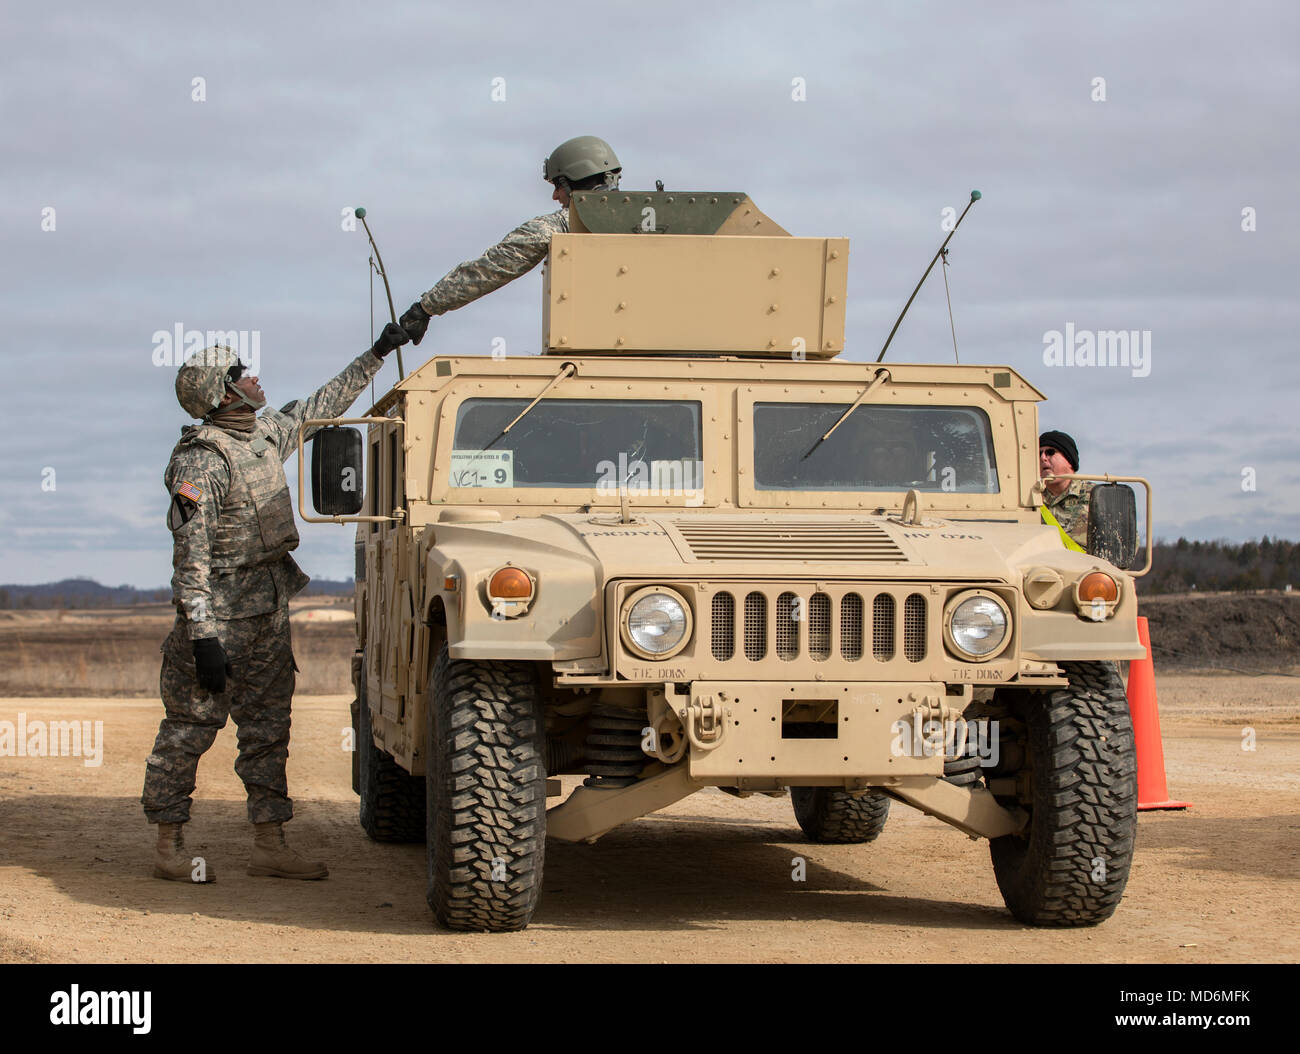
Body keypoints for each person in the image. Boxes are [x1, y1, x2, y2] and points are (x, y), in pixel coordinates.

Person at [142, 322, 409, 882]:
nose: (254, 377)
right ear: (222, 394)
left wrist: (381, 351)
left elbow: (322, 404)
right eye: (240, 373)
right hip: (218, 614)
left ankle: (270, 844)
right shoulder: (201, 462)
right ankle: (168, 844)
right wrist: (203, 636)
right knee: (190, 728)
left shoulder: (263, 437)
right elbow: (189, 557)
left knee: (268, 730)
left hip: (267, 610)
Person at [398, 135, 622, 344]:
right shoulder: (650, 220)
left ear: (575, 179)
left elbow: (490, 269)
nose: (555, 196)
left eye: (558, 186)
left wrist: (425, 308)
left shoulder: (563, 225)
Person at [1039, 429, 1091, 552]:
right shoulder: (1029, 498)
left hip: (1088, 569)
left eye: (1050, 452)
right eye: (1039, 453)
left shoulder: (1096, 496)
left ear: (1070, 460)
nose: (1043, 458)